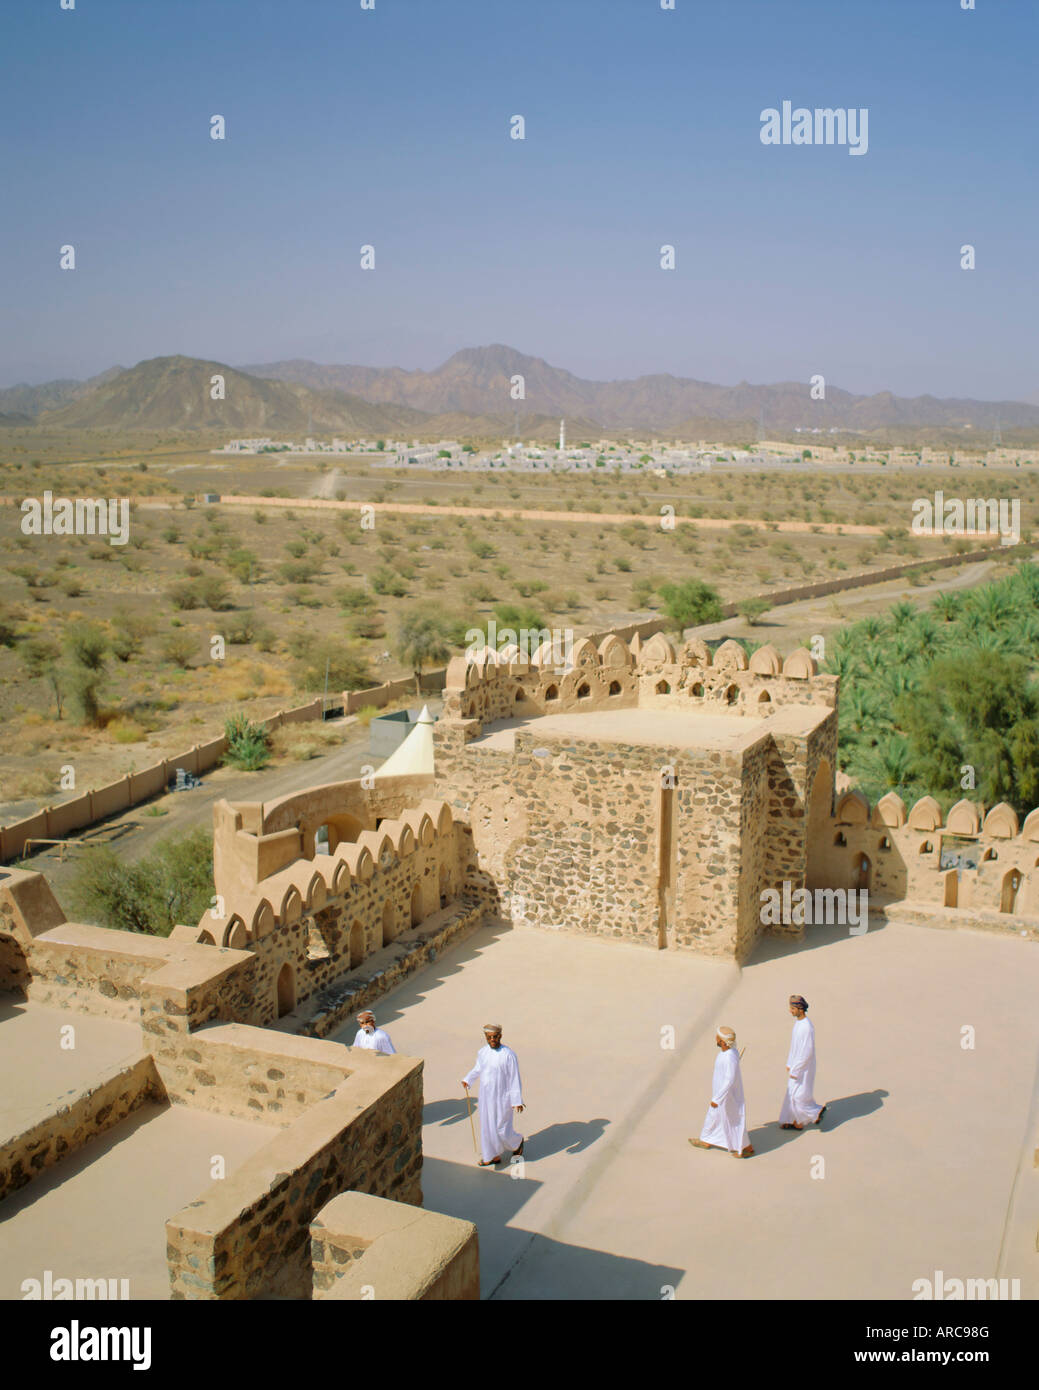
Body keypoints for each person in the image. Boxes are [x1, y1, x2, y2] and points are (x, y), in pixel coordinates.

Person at [462, 1024, 524, 1167]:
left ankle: (517, 1142)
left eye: (495, 1037)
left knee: (501, 1128)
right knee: (487, 1127)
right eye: (489, 1037)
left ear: (500, 1036)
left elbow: (515, 1078)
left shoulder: (508, 1055)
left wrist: (516, 1100)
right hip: (486, 1097)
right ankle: (491, 1156)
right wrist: (468, 1079)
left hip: (503, 1097)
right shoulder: (482, 1052)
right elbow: (478, 1068)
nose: (492, 1040)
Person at [689, 1026, 753, 1158]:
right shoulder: (730, 1053)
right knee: (714, 1117)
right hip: (720, 1094)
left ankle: (747, 1148)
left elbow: (729, 1080)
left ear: (723, 1042)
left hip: (726, 1096)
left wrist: (717, 1099)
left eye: (718, 1037)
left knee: (734, 1120)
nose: (716, 1039)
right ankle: (706, 1140)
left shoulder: (729, 1057)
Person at [779, 994, 826, 1129]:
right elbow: (794, 1046)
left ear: (800, 1008)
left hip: (804, 1067)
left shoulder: (807, 1027)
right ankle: (793, 1121)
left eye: (792, 1008)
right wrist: (789, 1063)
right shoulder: (798, 1024)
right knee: (791, 1094)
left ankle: (816, 1112)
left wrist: (796, 1069)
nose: (790, 1011)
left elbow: (806, 1052)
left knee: (799, 1096)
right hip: (796, 1066)